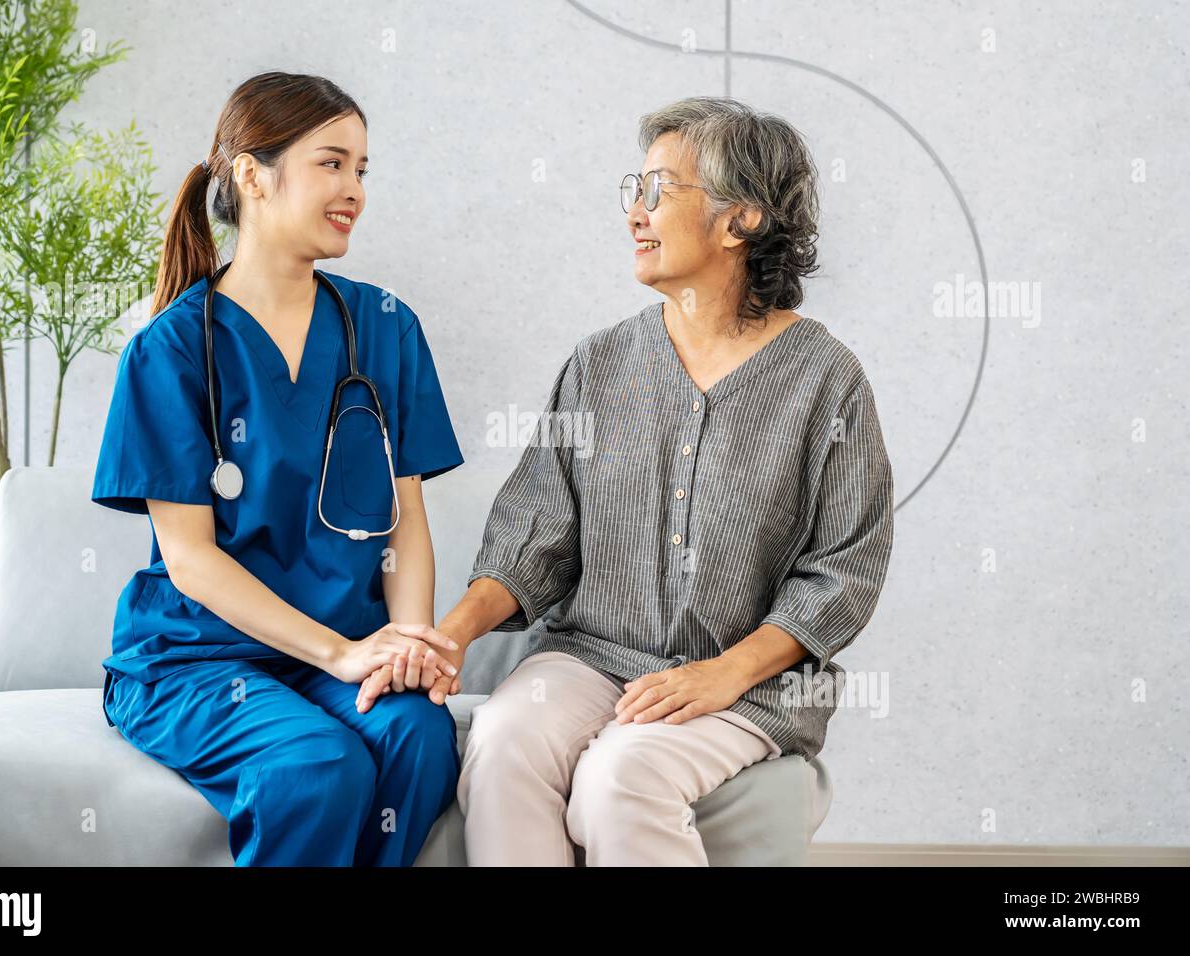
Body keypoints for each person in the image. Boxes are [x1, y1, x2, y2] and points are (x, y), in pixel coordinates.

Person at [359, 96, 896, 866]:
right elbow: (534, 537)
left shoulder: (826, 380)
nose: (634, 214)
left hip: (744, 684)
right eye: (632, 191)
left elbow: (843, 572)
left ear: (739, 219)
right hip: (589, 657)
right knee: (503, 742)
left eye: (657, 191)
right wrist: (450, 635)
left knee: (620, 776)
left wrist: (723, 674)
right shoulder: (600, 363)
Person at [93, 71, 464, 866]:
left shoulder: (385, 330)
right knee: (314, 767)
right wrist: (340, 654)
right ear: (252, 176)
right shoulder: (171, 352)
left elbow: (407, 520)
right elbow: (190, 560)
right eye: (332, 163)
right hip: (200, 661)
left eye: (363, 169)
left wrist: (401, 639)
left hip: (343, 647)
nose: (354, 189)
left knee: (419, 734)